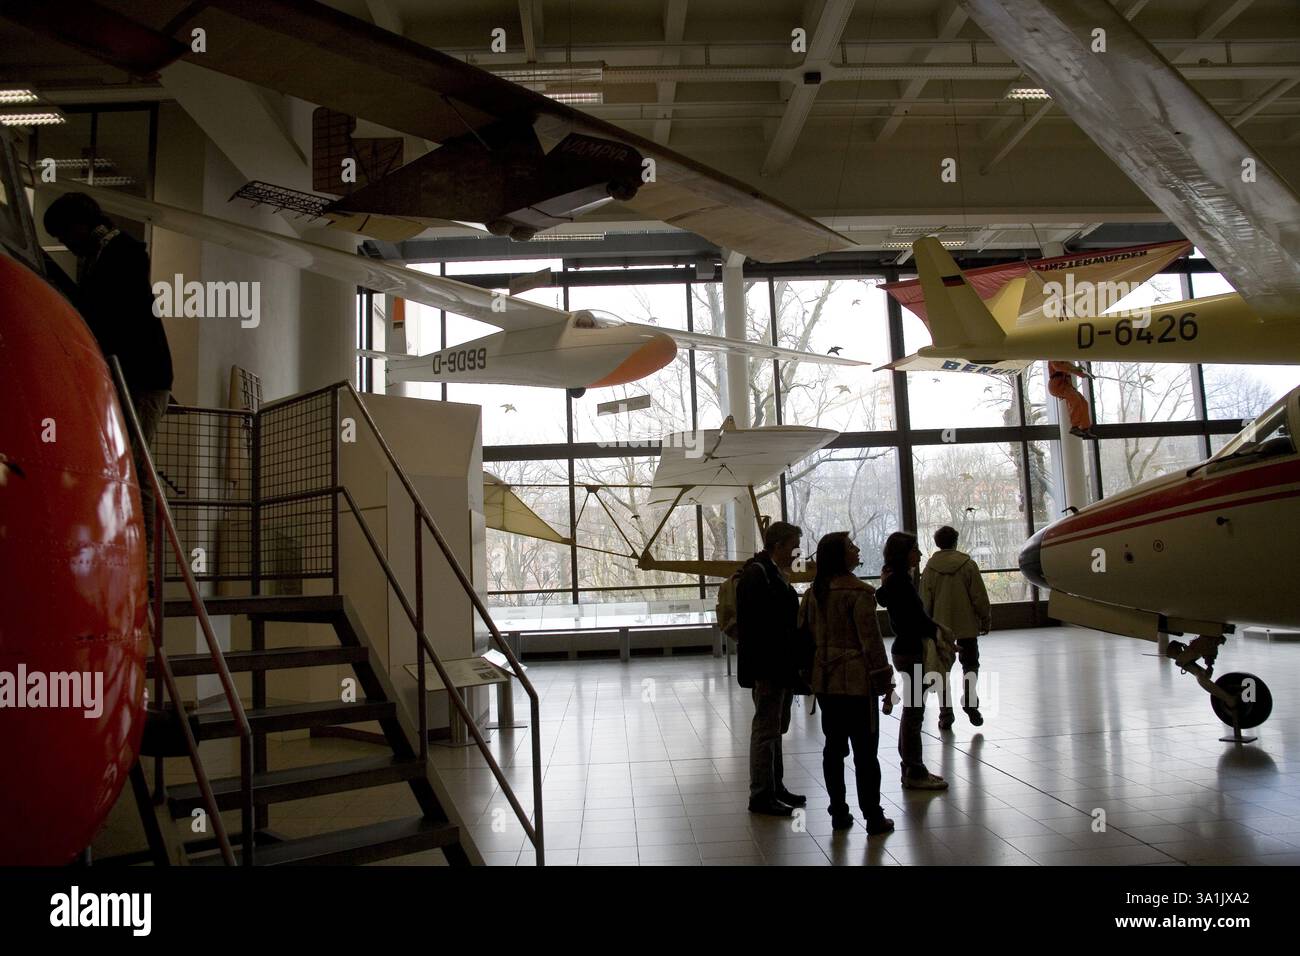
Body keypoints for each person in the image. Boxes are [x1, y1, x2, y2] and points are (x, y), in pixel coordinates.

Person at [44, 192, 173, 551]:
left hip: (141, 379)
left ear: (80, 225)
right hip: (140, 377)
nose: (66, 245)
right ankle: (135, 549)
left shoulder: (121, 255)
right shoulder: (112, 254)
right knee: (133, 462)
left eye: (65, 235)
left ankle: (140, 555)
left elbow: (104, 315)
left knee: (136, 465)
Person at [798, 532, 895, 834]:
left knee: (833, 747)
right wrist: (884, 681)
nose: (857, 550)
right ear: (841, 556)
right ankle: (873, 815)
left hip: (825, 682)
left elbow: (802, 636)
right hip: (856, 682)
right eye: (851, 547)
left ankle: (838, 811)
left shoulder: (813, 593)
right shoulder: (859, 593)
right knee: (866, 752)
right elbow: (872, 643)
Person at [736, 520, 805, 816]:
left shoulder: (769, 573)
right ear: (778, 546)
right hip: (769, 666)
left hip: (778, 664)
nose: (796, 552)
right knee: (766, 729)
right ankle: (762, 794)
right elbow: (758, 627)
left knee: (774, 727)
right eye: (793, 546)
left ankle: (775, 786)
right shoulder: (758, 575)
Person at [876, 531, 948, 791]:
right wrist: (942, 636)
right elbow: (917, 619)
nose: (918, 554)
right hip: (911, 649)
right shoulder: (902, 583)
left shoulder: (893, 580)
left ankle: (911, 766)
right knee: (914, 712)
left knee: (912, 709)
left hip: (902, 649)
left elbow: (882, 598)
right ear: (903, 553)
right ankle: (914, 769)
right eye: (914, 549)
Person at [921, 526, 992, 730]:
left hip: (940, 627)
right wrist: (984, 618)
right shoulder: (968, 565)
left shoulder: (930, 568)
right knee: (970, 664)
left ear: (937, 543)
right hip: (966, 625)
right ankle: (970, 701)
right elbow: (979, 596)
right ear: (956, 541)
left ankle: (946, 713)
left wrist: (927, 626)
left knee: (942, 669)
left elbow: (925, 600)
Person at [1047, 360, 1097, 439]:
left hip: (1066, 385)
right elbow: (1058, 367)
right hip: (1057, 385)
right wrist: (1075, 369)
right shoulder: (1053, 357)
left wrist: (1088, 375)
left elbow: (1077, 371)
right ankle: (1075, 427)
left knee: (1084, 403)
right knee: (1075, 400)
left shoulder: (1065, 362)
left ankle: (1085, 429)